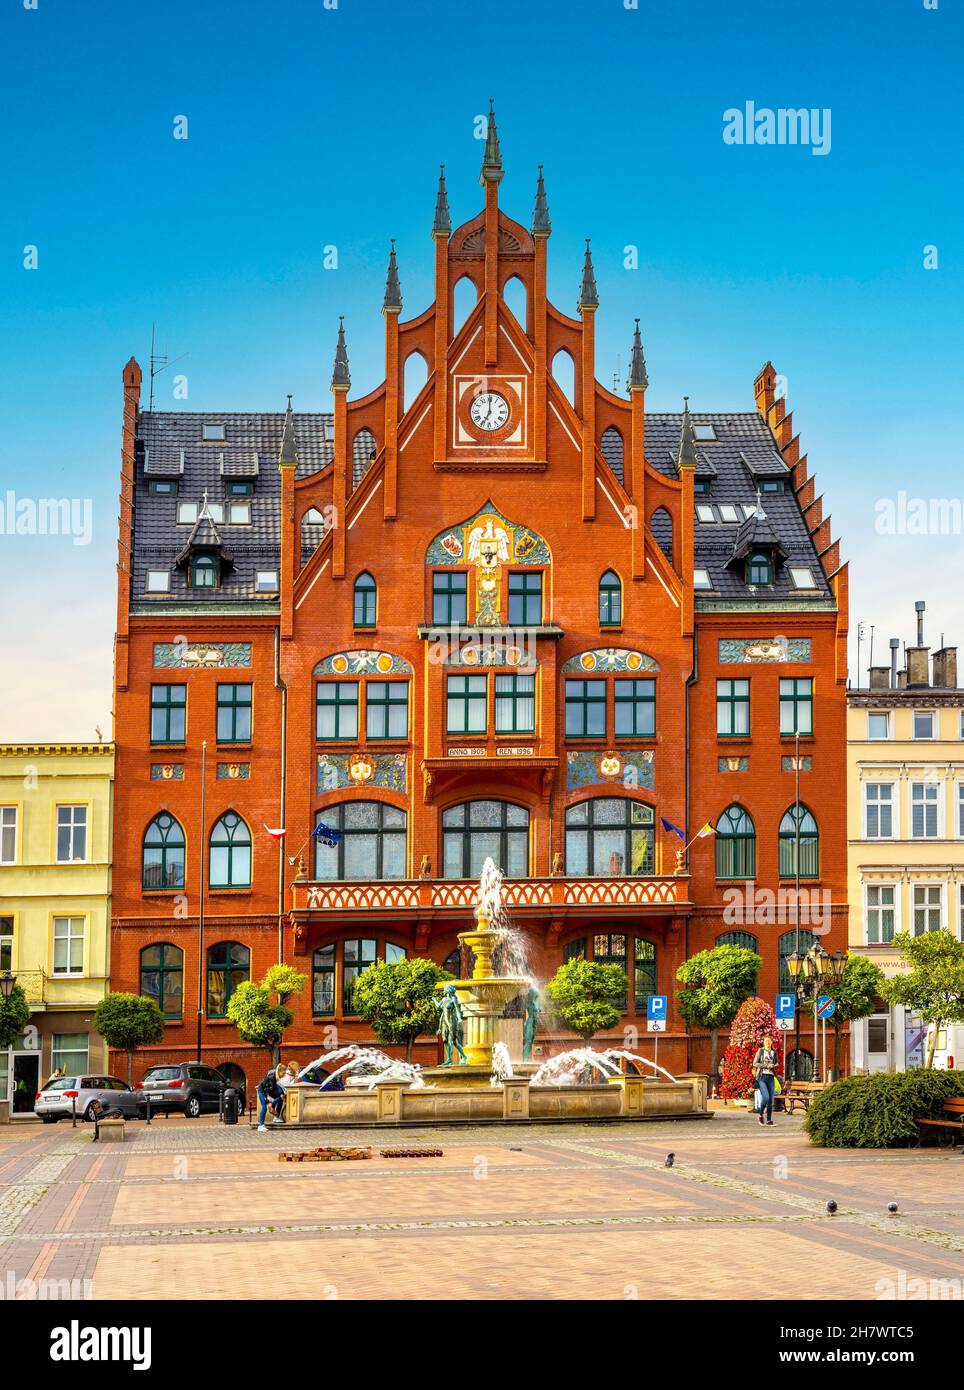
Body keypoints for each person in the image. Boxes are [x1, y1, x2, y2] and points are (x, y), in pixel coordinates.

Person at [752, 1034, 780, 1126]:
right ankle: (760, 1115)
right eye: (765, 1041)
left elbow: (777, 1063)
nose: (767, 1043)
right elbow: (755, 1063)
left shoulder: (774, 1052)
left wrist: (774, 1065)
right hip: (762, 1077)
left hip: (771, 1077)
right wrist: (766, 1066)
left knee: (770, 1100)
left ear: (771, 1042)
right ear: (764, 1043)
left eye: (769, 1041)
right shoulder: (761, 1051)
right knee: (766, 1097)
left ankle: (769, 1120)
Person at [256, 1064, 282, 1132]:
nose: (284, 1075)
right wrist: (268, 1101)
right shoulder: (272, 1076)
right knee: (264, 1106)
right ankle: (261, 1125)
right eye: (283, 1073)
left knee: (279, 1097)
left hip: (266, 1090)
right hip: (262, 1090)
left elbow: (272, 1088)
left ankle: (273, 1111)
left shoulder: (274, 1075)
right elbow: (267, 1090)